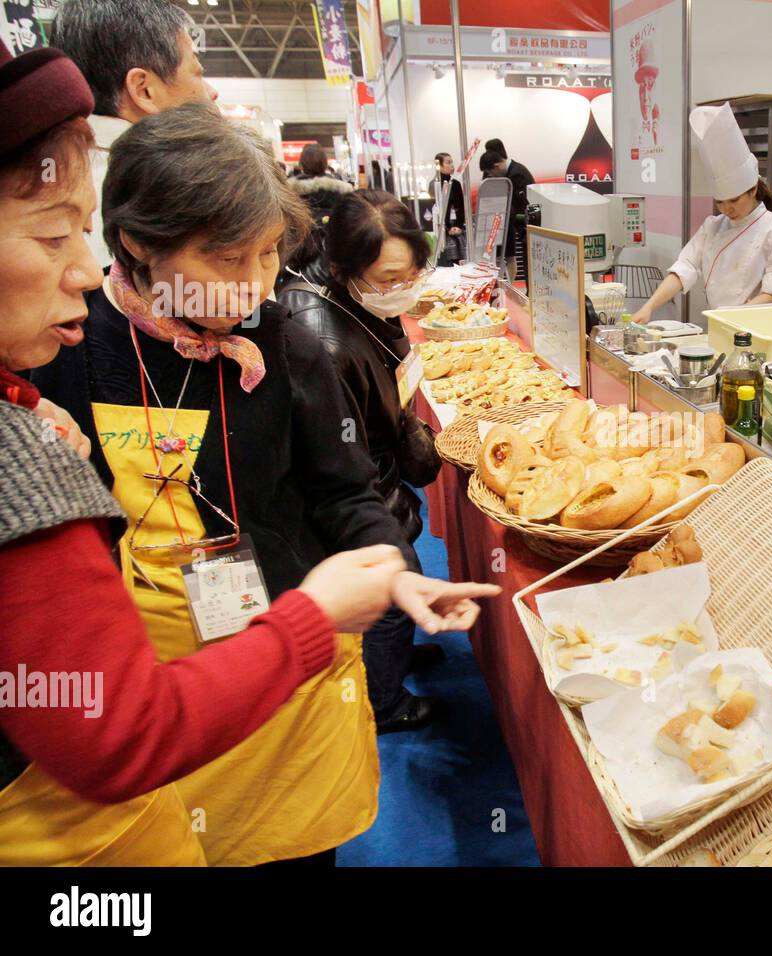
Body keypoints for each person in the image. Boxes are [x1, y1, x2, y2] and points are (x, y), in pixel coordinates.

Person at [0, 41, 492, 867]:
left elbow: (344, 488)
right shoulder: (70, 351)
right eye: (228, 261)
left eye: (270, 253)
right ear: (136, 247)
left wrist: (390, 565)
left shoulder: (287, 336)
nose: (258, 285)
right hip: (155, 685)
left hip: (285, 675)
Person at [280, 191, 446, 734]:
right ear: (340, 271)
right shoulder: (321, 337)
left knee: (400, 585)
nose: (403, 290)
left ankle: (391, 661)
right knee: (390, 588)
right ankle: (384, 701)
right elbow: (340, 463)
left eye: (412, 273)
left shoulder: (360, 307)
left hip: (382, 466)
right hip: (362, 484)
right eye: (386, 279)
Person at [51, 0, 218, 268]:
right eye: (197, 74)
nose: (211, 92)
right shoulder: (177, 186)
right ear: (144, 90)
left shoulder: (37, 178)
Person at [632, 102, 772, 321]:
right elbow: (684, 267)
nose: (727, 208)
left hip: (756, 326)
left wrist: (731, 315)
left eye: (734, 200)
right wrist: (649, 307)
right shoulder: (713, 226)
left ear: (753, 189)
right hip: (719, 323)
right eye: (720, 202)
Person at [480, 145, 534, 276]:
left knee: (524, 261)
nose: (492, 176)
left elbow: (524, 205)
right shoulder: (510, 172)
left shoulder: (517, 174)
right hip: (510, 221)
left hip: (527, 224)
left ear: (497, 166)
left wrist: (514, 217)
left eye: (491, 173)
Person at [289, 143, 352, 225]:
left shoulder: (288, 190)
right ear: (325, 163)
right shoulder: (344, 190)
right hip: (335, 235)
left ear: (302, 164)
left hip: (302, 235)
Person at [432, 151, 466, 266]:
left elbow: (461, 207)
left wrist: (459, 226)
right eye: (448, 163)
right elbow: (437, 210)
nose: (452, 165)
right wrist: (447, 228)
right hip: (441, 231)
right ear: (439, 166)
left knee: (459, 260)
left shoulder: (455, 184)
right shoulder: (434, 185)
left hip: (457, 229)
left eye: (452, 162)